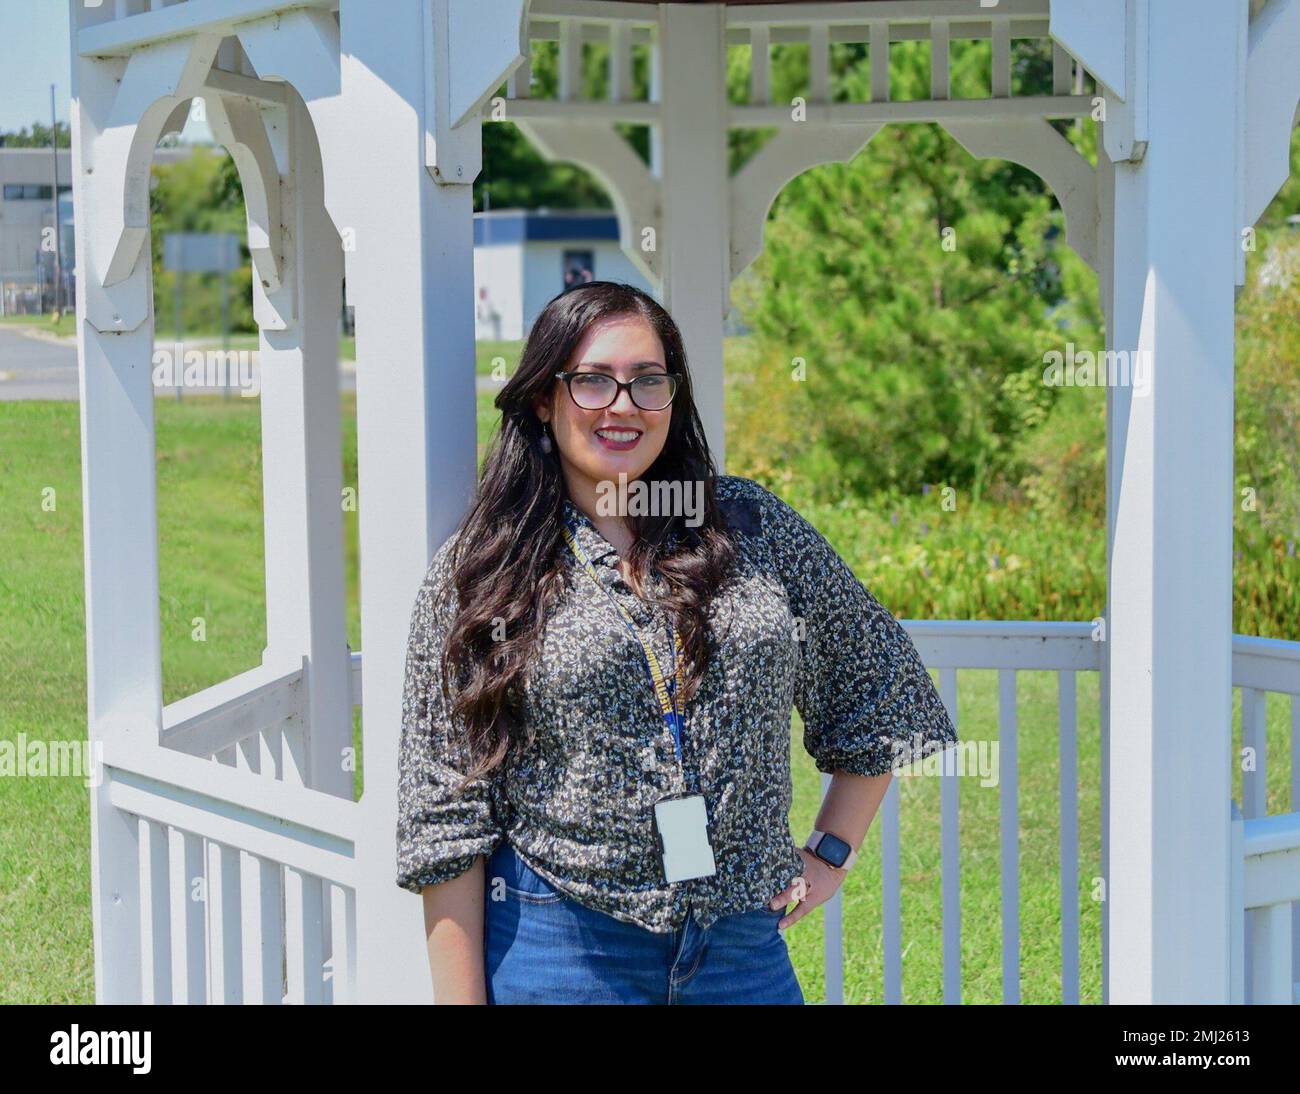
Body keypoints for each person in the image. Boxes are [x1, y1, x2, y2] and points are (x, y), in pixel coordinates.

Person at [395, 280, 957, 1004]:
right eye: (592, 381)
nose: (622, 404)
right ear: (544, 397)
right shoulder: (484, 568)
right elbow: (443, 817)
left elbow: (879, 686)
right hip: (560, 946)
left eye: (647, 380)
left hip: (740, 952)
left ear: (672, 396)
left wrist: (832, 852)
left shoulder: (751, 526)